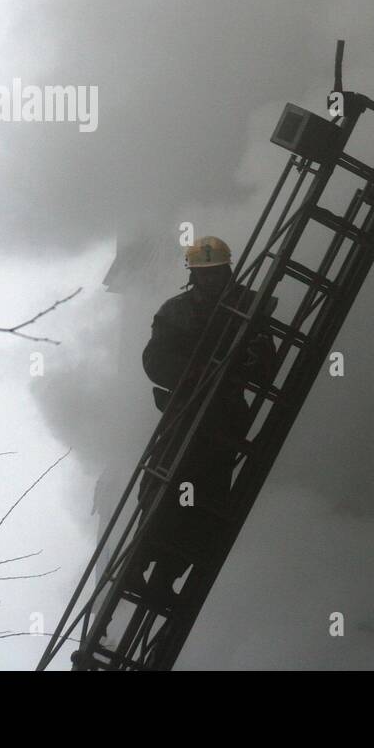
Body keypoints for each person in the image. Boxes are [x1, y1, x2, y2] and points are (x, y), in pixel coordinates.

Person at [137, 235, 274, 601]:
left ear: (228, 270)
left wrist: (251, 359)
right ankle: (139, 566)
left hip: (224, 421)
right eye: (207, 274)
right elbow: (156, 362)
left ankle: (166, 578)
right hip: (187, 415)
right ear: (194, 276)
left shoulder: (249, 307)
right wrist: (199, 372)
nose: (213, 280)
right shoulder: (176, 311)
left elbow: (266, 368)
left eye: (219, 273)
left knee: (207, 504)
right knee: (166, 493)